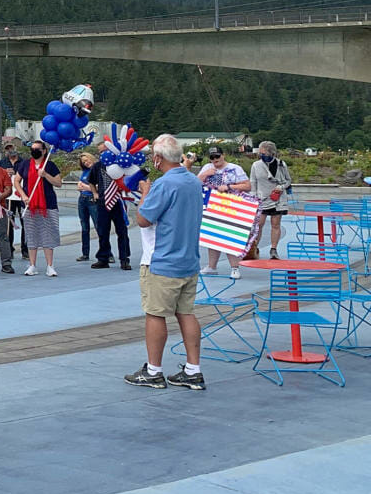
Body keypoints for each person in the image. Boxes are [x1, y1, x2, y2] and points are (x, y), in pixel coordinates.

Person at [125, 135, 206, 390]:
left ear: (158, 158)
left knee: (155, 314)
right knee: (186, 312)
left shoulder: (163, 184)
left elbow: (143, 220)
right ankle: (193, 369)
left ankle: (153, 370)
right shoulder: (193, 181)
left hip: (162, 260)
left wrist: (145, 194)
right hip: (189, 259)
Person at [198, 146, 251, 277]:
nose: (215, 159)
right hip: (212, 206)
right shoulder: (206, 168)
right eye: (212, 157)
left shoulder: (235, 168)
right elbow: (194, 183)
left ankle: (234, 267)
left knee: (229, 235)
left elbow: (248, 186)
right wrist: (205, 174)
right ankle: (212, 266)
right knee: (212, 236)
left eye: (217, 156)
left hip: (231, 205)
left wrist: (229, 186)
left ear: (223, 155)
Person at [18, 142, 63, 277]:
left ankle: (50, 266)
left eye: (37, 149)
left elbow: (58, 183)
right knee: (31, 234)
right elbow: (16, 181)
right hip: (29, 204)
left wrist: (45, 175)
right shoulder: (25, 164)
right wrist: (23, 195)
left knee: (48, 234)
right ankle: (32, 265)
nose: (34, 151)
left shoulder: (50, 165)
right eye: (32, 149)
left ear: (44, 151)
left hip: (47, 204)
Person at [249, 140, 293, 259]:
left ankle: (273, 249)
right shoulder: (256, 165)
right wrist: (253, 196)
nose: (262, 155)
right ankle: (254, 247)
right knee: (258, 224)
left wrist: (282, 187)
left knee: (275, 224)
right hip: (261, 198)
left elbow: (288, 180)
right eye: (261, 153)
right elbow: (253, 181)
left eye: (264, 153)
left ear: (272, 153)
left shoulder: (281, 164)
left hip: (277, 198)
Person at [89, 157, 133, 271]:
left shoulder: (122, 164)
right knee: (103, 231)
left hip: (119, 202)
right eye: (101, 152)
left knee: (122, 231)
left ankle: (124, 259)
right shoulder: (98, 166)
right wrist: (94, 193)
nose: (104, 154)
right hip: (103, 202)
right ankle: (103, 258)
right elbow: (91, 181)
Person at [75, 152, 100, 263]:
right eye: (84, 162)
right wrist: (83, 187)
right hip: (83, 199)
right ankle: (85, 253)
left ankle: (106, 252)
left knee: (98, 226)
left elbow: (99, 188)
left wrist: (86, 187)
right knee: (84, 227)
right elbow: (79, 186)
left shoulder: (98, 170)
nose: (86, 162)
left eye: (87, 160)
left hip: (92, 200)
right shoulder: (85, 172)